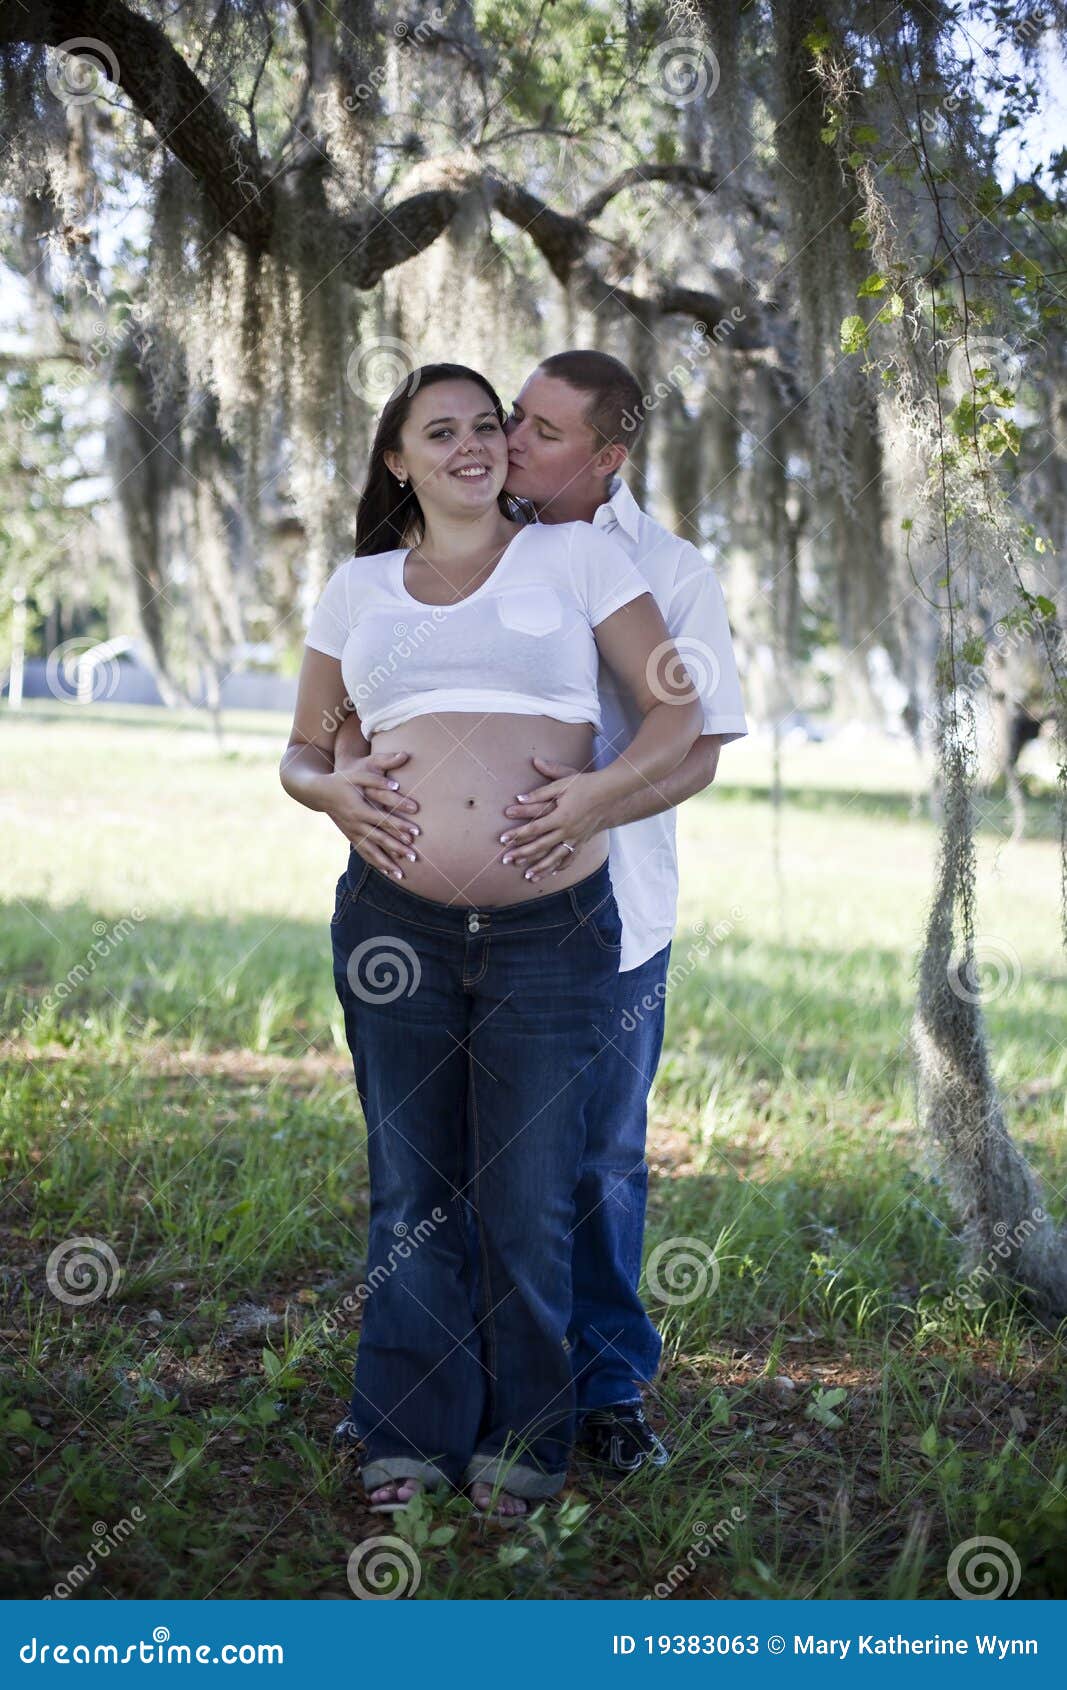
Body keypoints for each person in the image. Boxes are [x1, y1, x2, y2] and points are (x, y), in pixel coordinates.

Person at [281, 363, 703, 1518]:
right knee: (409, 1184)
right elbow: (301, 748)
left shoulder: (579, 560)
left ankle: (527, 1437)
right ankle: (407, 1430)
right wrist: (329, 792)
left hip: (550, 930)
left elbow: (675, 709)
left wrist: (596, 796)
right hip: (394, 923)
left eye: (487, 424)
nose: (475, 444)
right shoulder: (359, 587)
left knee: (526, 1194)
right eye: (443, 430)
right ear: (397, 460)